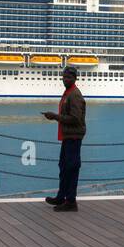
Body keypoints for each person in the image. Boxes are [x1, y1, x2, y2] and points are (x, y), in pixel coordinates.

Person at [42, 66, 86, 211]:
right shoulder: (68, 92)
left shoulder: (74, 95)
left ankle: (71, 201)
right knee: (64, 168)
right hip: (67, 136)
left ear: (75, 78)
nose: (65, 79)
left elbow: (75, 118)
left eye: (68, 77)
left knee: (71, 168)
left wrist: (55, 116)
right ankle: (61, 197)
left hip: (73, 137)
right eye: (64, 77)